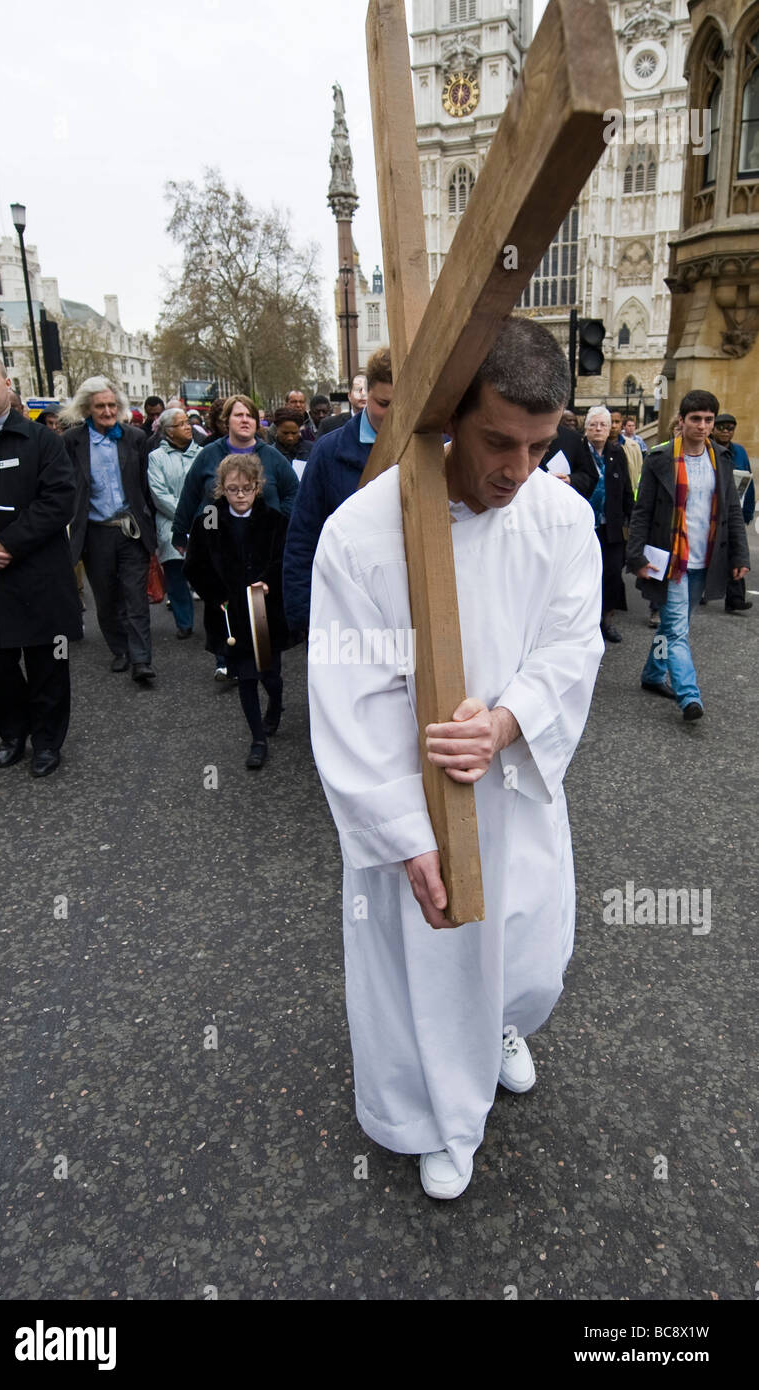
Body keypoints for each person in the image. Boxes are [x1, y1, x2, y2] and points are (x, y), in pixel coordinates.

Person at [308, 317, 603, 1201]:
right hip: (414, 803)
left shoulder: (562, 516)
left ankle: (505, 1028)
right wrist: (404, 831)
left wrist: (507, 721)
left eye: (540, 445)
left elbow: (572, 642)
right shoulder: (362, 534)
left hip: (515, 790)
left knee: (530, 955)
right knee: (427, 973)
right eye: (497, 441)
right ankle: (435, 1115)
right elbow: (350, 696)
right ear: (449, 416)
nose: (518, 470)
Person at [0, 351, 82, 777]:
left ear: (6, 383)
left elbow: (57, 502)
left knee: (48, 662)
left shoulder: (42, 441)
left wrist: (9, 543)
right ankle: (13, 733)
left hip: (38, 577)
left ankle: (48, 741)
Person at [626, 389, 750, 720]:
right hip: (671, 560)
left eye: (709, 420)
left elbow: (732, 512)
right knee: (678, 629)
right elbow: (642, 511)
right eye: (696, 419)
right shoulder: (660, 458)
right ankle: (688, 696)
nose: (703, 426)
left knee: (673, 625)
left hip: (705, 559)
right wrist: (636, 556)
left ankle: (653, 675)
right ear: (681, 421)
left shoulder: (722, 458)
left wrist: (740, 557)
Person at [171, 394, 297, 680]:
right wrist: (180, 532)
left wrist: (279, 518)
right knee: (223, 595)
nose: (244, 420)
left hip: (261, 543)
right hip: (219, 537)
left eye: (250, 415)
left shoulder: (272, 457)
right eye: (238, 415)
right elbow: (190, 495)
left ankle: (264, 661)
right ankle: (226, 658)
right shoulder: (208, 455)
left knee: (257, 601)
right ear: (225, 421)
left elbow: (293, 491)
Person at [183, 454, 290, 770]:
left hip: (264, 610)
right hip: (229, 612)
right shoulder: (208, 520)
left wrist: (269, 582)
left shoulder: (274, 520)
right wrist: (217, 596)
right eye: (232, 489)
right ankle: (258, 740)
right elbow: (194, 567)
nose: (240, 495)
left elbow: (284, 561)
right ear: (221, 489)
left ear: (258, 487)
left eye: (246, 488)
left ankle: (276, 703)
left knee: (269, 674)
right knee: (246, 676)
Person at [283, 350, 392, 634]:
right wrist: (306, 619)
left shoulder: (437, 445)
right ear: (366, 394)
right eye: (384, 403)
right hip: (346, 612)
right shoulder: (329, 451)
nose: (394, 415)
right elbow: (304, 536)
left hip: (407, 613)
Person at [62, 375, 158, 683]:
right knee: (106, 598)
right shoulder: (72, 441)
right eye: (100, 406)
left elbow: (145, 485)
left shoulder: (134, 437)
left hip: (130, 529)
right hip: (95, 531)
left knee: (135, 597)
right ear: (87, 409)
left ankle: (142, 659)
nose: (107, 411)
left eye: (112, 405)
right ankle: (120, 649)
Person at [147, 408, 202, 638]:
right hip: (170, 523)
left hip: (201, 521)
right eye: (180, 424)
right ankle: (184, 622)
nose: (187, 427)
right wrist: (184, 515)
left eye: (187, 422)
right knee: (176, 575)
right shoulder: (156, 458)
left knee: (204, 572)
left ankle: (217, 620)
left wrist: (196, 514)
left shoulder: (202, 454)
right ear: (168, 431)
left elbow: (207, 488)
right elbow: (159, 494)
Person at [582, 407, 633, 643]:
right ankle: (583, 622)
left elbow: (625, 488)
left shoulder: (616, 452)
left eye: (603, 424)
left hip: (610, 526)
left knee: (611, 573)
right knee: (582, 575)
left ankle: (606, 619)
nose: (598, 429)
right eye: (593, 425)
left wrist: (631, 520)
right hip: (584, 527)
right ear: (586, 428)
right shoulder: (579, 452)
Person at [711, 412, 754, 614]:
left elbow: (748, 481)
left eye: (730, 428)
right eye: (722, 427)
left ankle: (735, 599)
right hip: (710, 511)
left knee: (736, 553)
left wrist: (747, 511)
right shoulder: (708, 449)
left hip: (732, 510)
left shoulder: (740, 451)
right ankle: (700, 591)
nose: (726, 432)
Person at [316, 373, 367, 438]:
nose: (363, 394)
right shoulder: (329, 425)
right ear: (349, 396)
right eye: (358, 390)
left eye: (367, 390)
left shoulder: (381, 426)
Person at [609, 407, 644, 497]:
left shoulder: (634, 446)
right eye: (610, 422)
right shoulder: (597, 446)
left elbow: (639, 473)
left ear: (621, 424)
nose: (613, 426)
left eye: (617, 422)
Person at [272, 406, 313, 479]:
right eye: (285, 433)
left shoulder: (312, 450)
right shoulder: (270, 453)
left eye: (294, 433)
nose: (290, 438)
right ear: (276, 429)